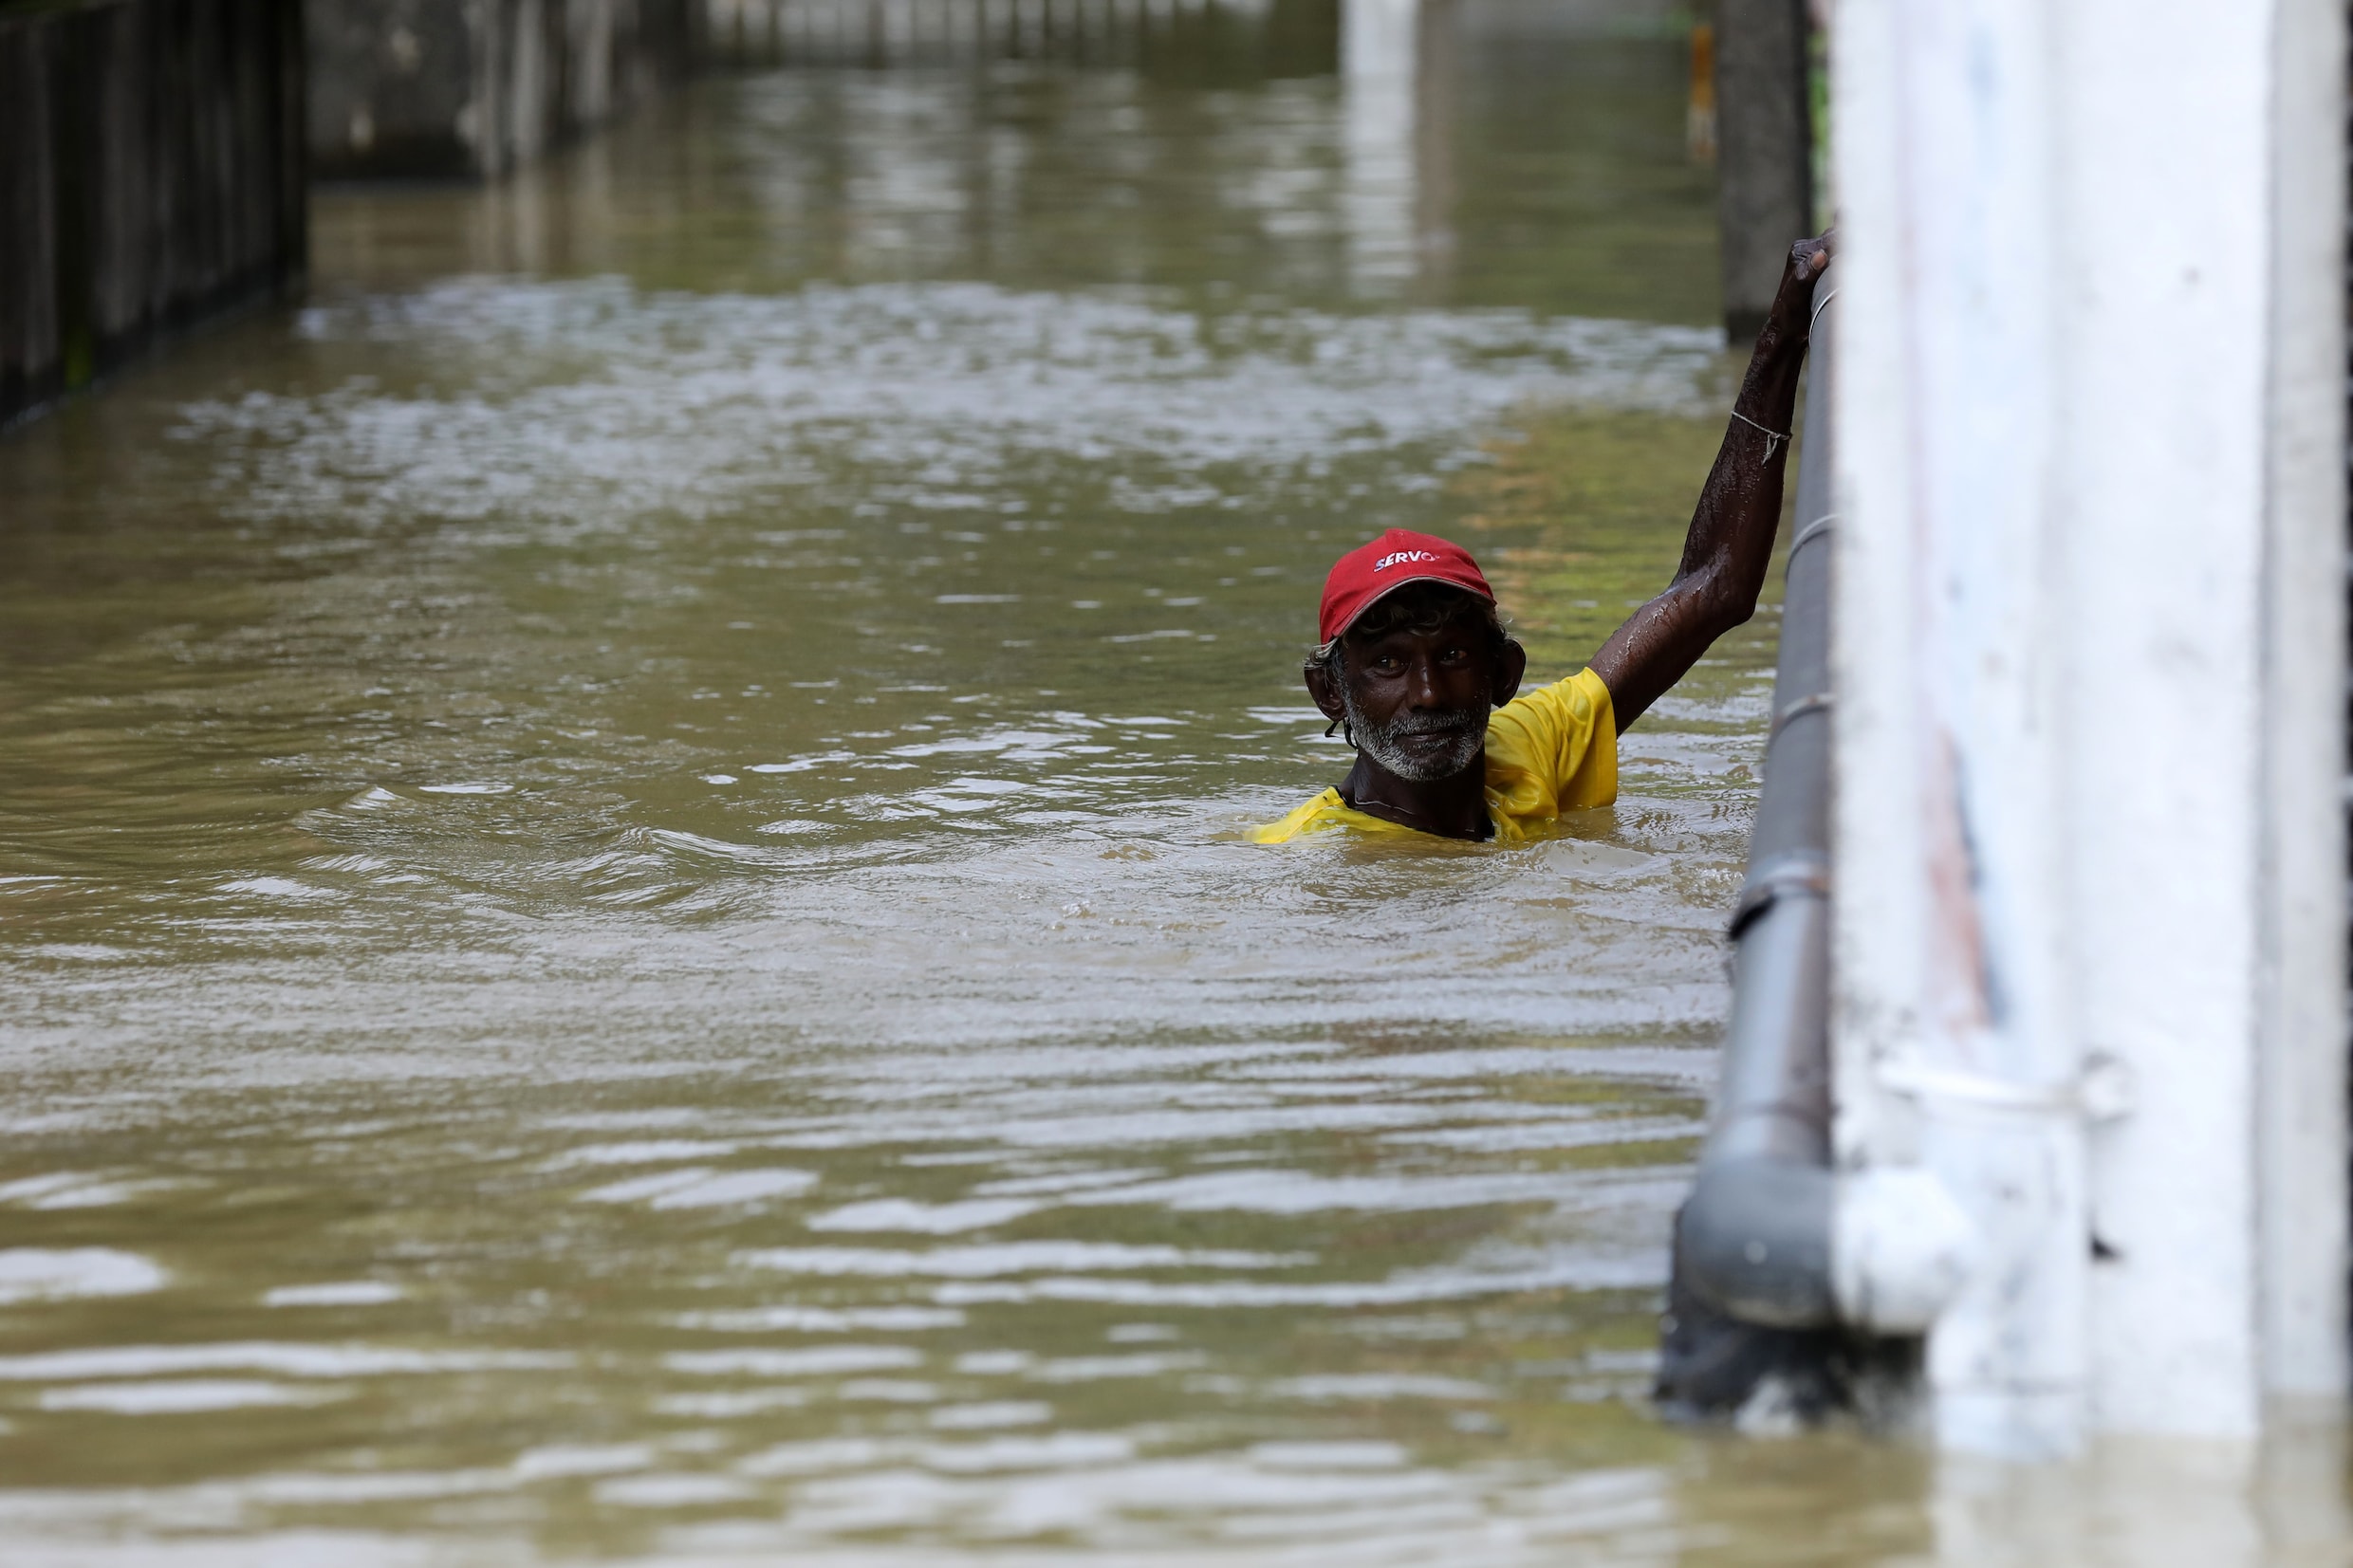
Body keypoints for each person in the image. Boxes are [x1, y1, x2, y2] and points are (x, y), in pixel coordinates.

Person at [1251, 232, 1834, 846]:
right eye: (1388, 662)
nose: (1426, 694)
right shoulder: (1311, 854)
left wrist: (1782, 335)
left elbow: (1715, 586)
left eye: (1452, 656)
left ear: (1504, 673)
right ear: (1330, 692)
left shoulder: (1530, 746)